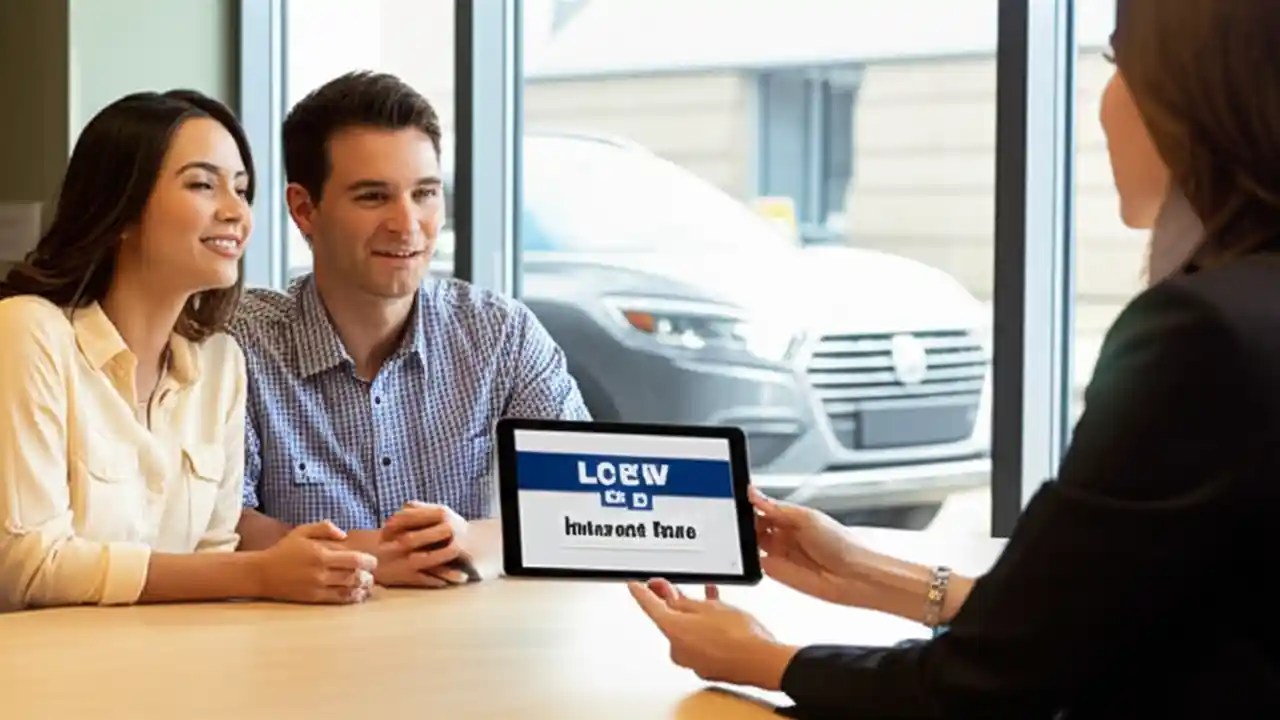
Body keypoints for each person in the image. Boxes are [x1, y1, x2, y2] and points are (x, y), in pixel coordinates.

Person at [629, 0, 1280, 716]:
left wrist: (766, 660)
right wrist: (864, 572)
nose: (1104, 104)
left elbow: (995, 685)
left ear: (1195, 91)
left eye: (1114, 63)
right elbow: (1093, 619)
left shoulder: (1204, 334)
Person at [0, 90, 378, 612]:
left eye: (242, 191)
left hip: (176, 674)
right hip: (46, 682)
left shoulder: (222, 364)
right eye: (203, 184)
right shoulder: (27, 331)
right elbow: (27, 567)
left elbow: (213, 557)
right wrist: (260, 572)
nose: (236, 213)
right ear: (123, 208)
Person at [230, 71, 590, 589]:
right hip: (299, 656)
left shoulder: (501, 335)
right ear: (305, 209)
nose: (408, 224)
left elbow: (583, 506)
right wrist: (369, 556)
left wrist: (475, 543)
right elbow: (222, 524)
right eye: (373, 197)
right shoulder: (241, 344)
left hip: (474, 653)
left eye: (424, 193)